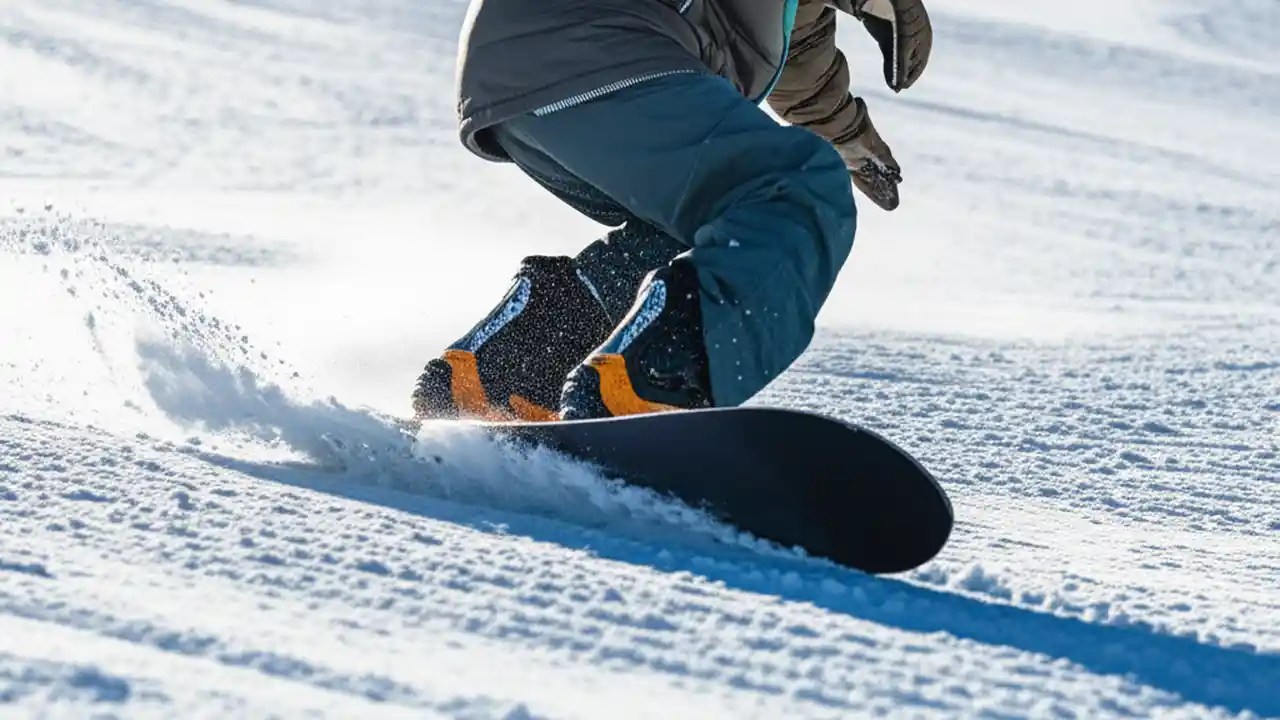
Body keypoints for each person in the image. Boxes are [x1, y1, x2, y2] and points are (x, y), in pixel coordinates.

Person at [413, 0, 932, 421]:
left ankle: (515, 368)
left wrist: (844, 132)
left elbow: (803, 55)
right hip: (599, 45)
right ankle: (650, 383)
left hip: (528, 73)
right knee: (798, 188)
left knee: (725, 222)